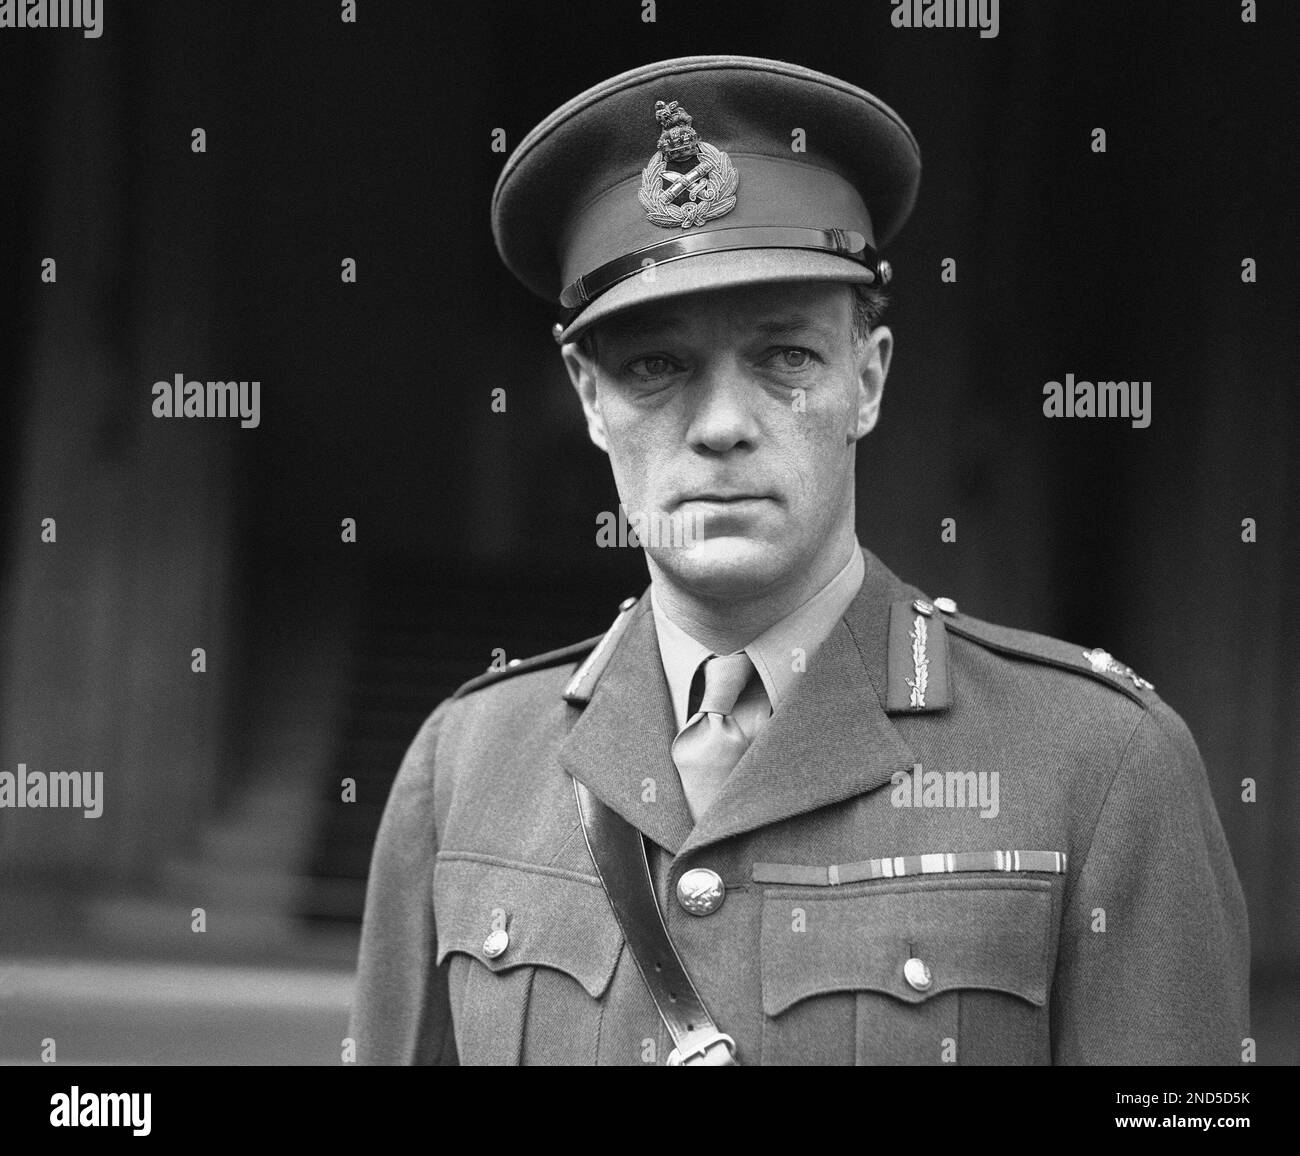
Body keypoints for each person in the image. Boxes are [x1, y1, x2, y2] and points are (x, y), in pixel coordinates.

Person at [349, 55, 1249, 1065]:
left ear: (865, 380)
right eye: (656, 365)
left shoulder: (1102, 766)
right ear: (589, 399)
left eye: (784, 357)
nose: (723, 424)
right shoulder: (467, 764)